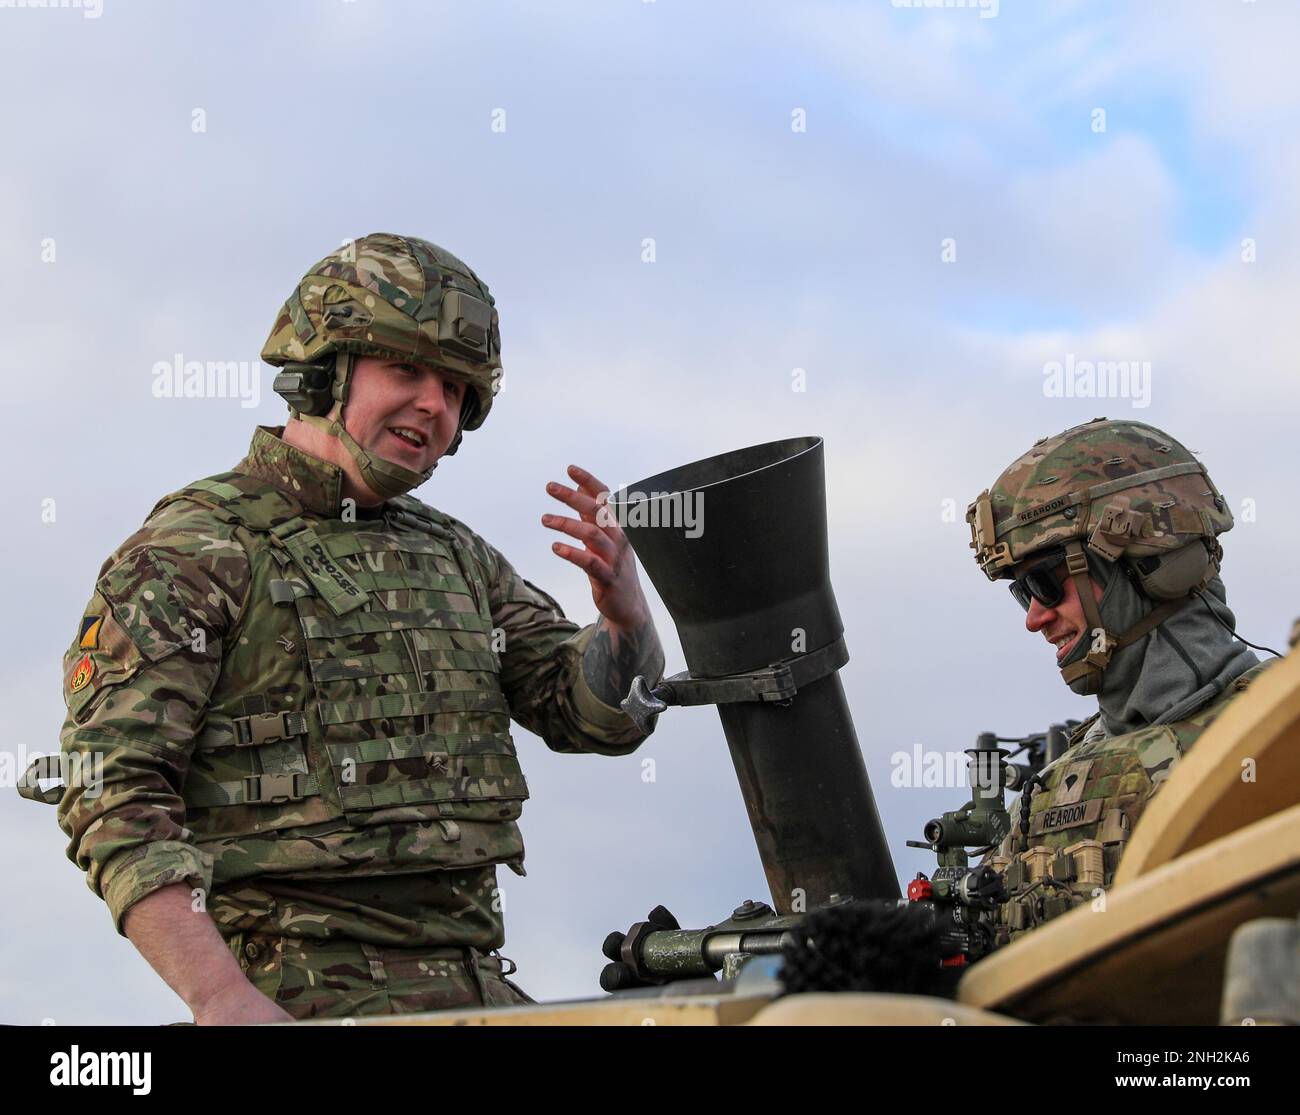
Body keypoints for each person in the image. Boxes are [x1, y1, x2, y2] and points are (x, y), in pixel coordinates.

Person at [24, 233, 665, 1022]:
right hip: (289, 995)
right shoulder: (198, 548)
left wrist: (623, 620)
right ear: (323, 369)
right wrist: (221, 996)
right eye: (406, 369)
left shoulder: (457, 556)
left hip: (476, 989)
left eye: (458, 388)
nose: (435, 404)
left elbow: (591, 713)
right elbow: (110, 791)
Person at [965, 417, 1273, 944]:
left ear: (1151, 567)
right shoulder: (1053, 786)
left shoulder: (1275, 739)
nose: (1035, 619)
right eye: (1024, 594)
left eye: (1045, 583)